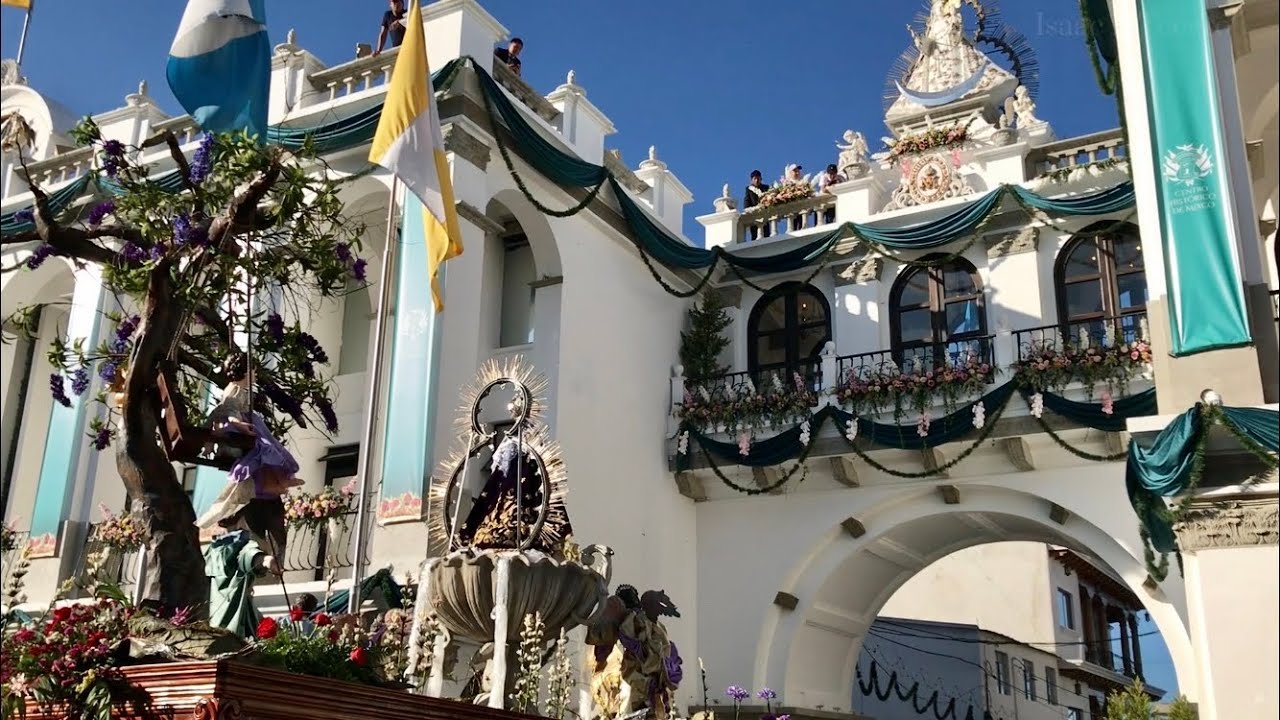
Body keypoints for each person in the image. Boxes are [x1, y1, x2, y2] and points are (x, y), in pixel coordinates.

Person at [742, 170, 771, 241]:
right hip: (755, 216)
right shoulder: (749, 190)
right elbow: (747, 202)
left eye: (758, 178)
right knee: (755, 236)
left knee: (766, 234)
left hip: (765, 214)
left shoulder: (766, 188)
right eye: (755, 179)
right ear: (751, 180)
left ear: (761, 179)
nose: (757, 180)